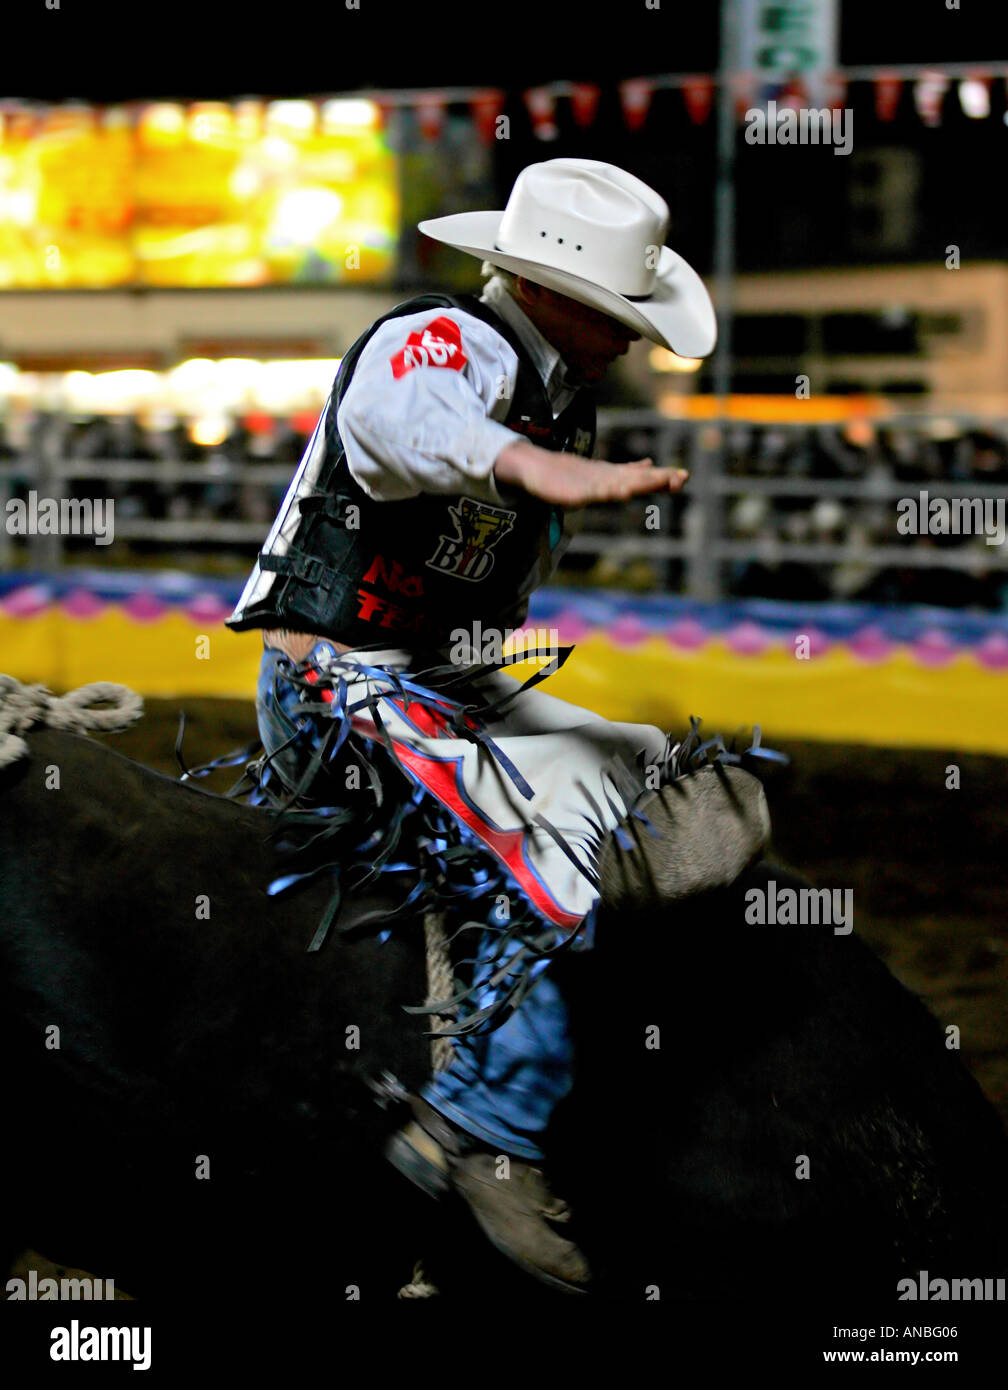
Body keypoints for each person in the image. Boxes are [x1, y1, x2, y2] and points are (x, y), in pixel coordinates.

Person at [227, 158, 767, 1293]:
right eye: (623, 317)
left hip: (438, 674)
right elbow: (403, 424)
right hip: (338, 676)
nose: (632, 341)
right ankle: (476, 1125)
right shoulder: (440, 343)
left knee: (678, 787)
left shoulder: (557, 388)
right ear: (560, 295)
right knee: (566, 850)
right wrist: (532, 468)